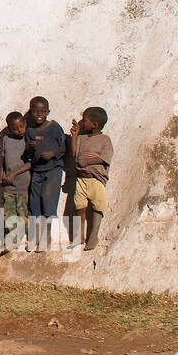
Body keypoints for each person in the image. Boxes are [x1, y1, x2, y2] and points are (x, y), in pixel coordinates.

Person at [25, 96, 66, 252]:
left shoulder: (54, 127)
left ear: (48, 111)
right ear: (31, 112)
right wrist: (29, 147)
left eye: (43, 111)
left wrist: (52, 153)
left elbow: (63, 147)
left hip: (52, 170)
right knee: (34, 204)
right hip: (37, 171)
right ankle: (34, 238)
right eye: (36, 111)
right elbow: (27, 155)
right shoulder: (30, 130)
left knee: (48, 202)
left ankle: (46, 238)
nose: (39, 114)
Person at [69, 107, 113, 251]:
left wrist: (88, 162)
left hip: (95, 179)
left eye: (85, 120)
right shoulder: (81, 138)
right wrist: (74, 136)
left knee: (97, 208)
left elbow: (106, 157)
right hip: (81, 179)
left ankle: (93, 236)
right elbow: (74, 153)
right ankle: (79, 236)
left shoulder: (104, 140)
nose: (82, 122)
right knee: (79, 207)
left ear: (94, 124)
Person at [0, 112, 31, 254]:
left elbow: (31, 163)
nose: (20, 130)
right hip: (8, 185)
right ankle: (12, 241)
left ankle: (24, 237)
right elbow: (3, 160)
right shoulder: (6, 140)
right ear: (9, 129)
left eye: (22, 126)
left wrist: (15, 174)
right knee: (9, 214)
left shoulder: (28, 140)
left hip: (23, 184)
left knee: (22, 213)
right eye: (16, 128)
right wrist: (1, 175)